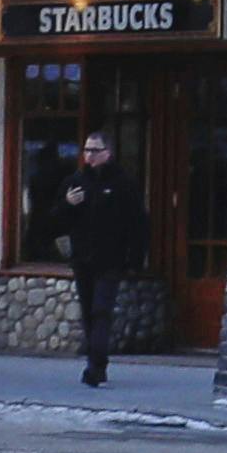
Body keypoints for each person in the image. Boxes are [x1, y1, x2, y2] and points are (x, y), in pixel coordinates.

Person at [49, 131, 148, 387]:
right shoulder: (76, 181)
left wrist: (135, 258)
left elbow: (137, 222)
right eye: (86, 150)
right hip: (83, 259)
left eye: (95, 150)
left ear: (107, 153)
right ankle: (95, 362)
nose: (89, 155)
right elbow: (55, 220)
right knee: (88, 312)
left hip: (111, 259)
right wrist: (67, 204)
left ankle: (96, 366)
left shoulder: (122, 183)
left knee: (101, 311)